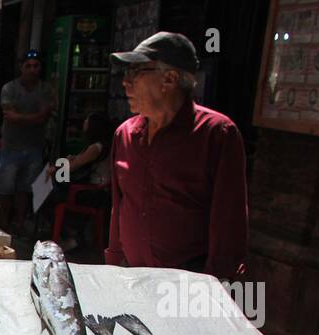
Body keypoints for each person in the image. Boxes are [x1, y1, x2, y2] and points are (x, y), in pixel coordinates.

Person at [105, 31, 248, 279]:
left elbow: (228, 221)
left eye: (135, 72)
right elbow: (120, 207)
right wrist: (113, 263)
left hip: (186, 284)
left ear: (169, 79)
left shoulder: (216, 134)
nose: (125, 82)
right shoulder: (124, 135)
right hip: (132, 276)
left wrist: (215, 286)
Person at [0, 50, 56, 236]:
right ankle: (4, 222)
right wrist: (35, 117)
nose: (32, 69)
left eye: (36, 66)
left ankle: (20, 224)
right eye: (28, 66)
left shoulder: (45, 90)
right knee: (6, 187)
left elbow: (42, 117)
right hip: (11, 146)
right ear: (21, 68)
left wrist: (22, 117)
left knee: (25, 188)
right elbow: (11, 116)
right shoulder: (9, 88)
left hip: (34, 147)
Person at [42, 112, 112, 250]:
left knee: (49, 197)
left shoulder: (96, 147)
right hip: (90, 189)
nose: (84, 124)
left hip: (92, 193)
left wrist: (59, 166)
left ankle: (68, 235)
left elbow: (72, 167)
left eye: (87, 122)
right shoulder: (97, 146)